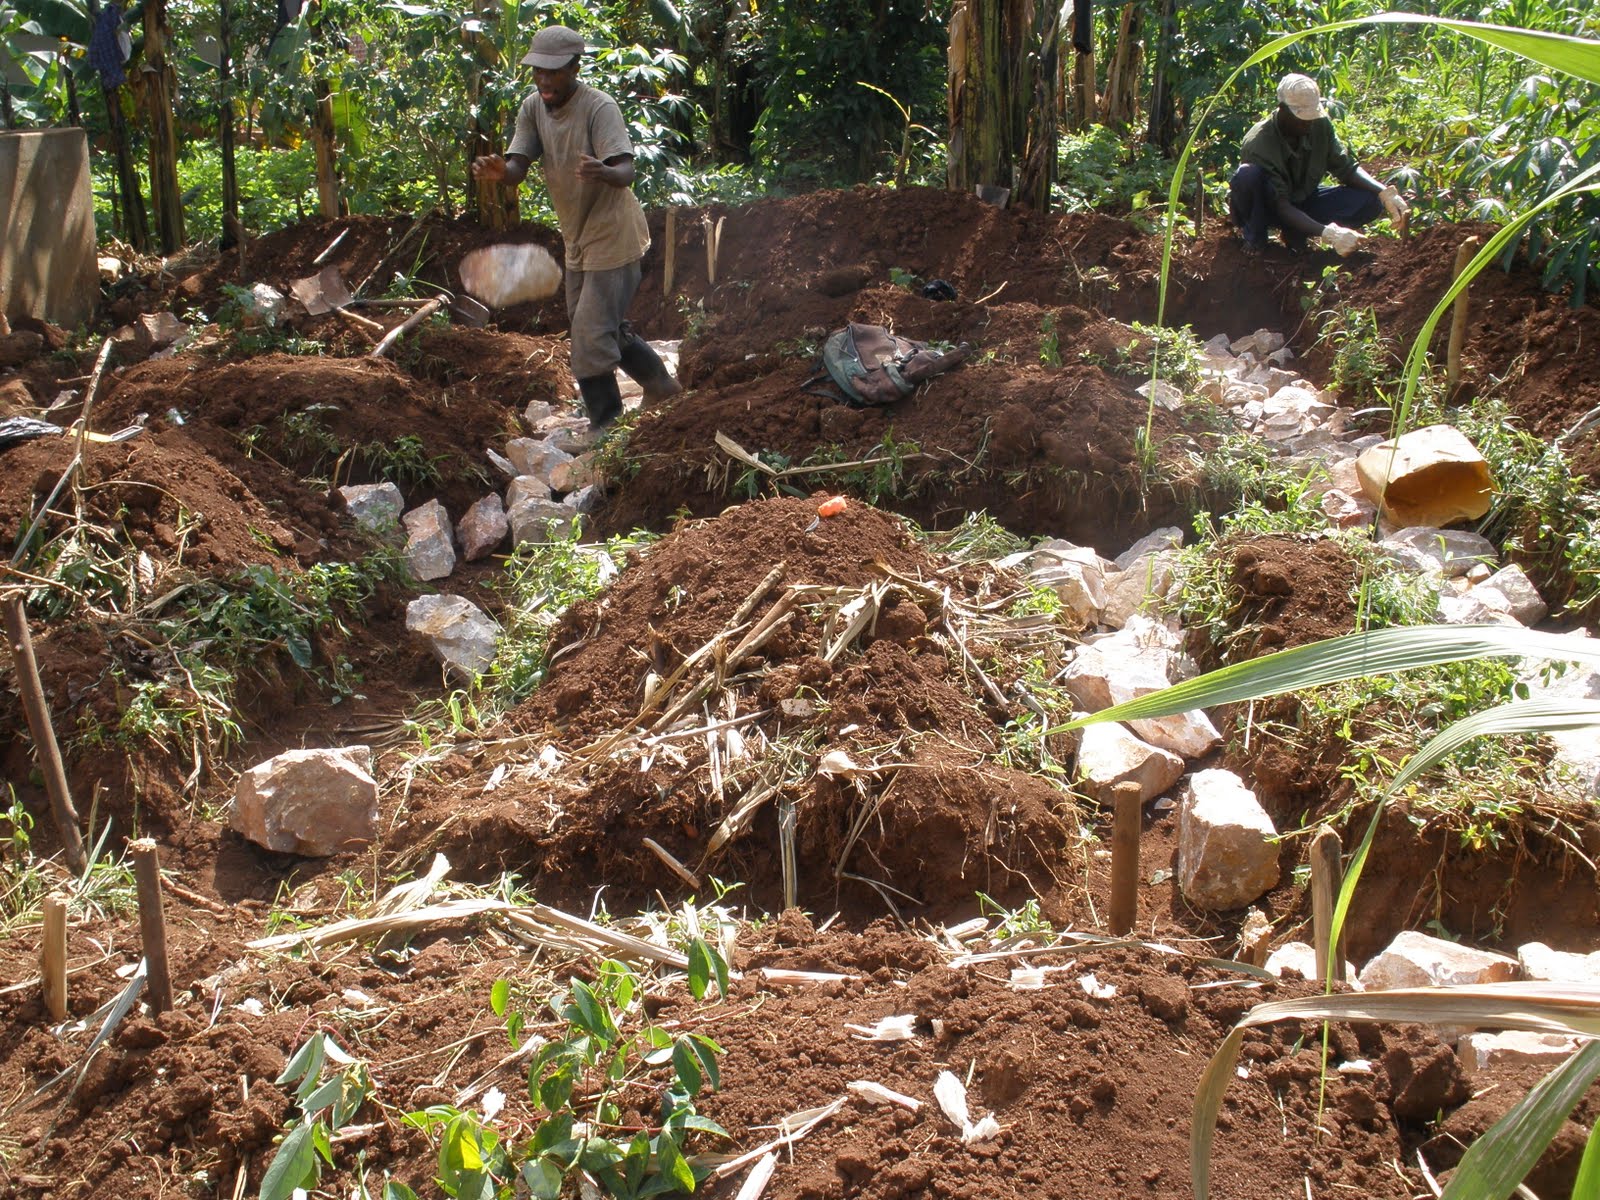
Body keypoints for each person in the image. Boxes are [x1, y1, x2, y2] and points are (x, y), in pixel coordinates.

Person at [471, 24, 681, 430]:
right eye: (538, 71)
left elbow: (626, 170)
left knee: (588, 335)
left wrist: (603, 171)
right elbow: (518, 166)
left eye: (554, 72)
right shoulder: (533, 108)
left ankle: (607, 426)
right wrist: (502, 173)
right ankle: (661, 387)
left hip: (614, 236)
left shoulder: (599, 107)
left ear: (574, 67)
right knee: (601, 328)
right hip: (578, 239)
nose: (545, 80)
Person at [1228, 73, 1409, 257]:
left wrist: (1384, 192)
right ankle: (1256, 240)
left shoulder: (1319, 125)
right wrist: (1330, 234)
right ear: (1282, 109)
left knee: (1369, 201)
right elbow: (1280, 205)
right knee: (1247, 175)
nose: (1307, 124)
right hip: (1268, 209)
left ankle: (1298, 231)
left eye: (1312, 117)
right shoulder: (1259, 142)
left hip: (1303, 201)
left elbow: (1345, 168)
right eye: (1301, 119)